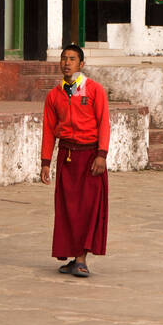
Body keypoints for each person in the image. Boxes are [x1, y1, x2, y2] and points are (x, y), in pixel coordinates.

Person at [40, 44, 109, 277]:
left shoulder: (94, 90)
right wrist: (45, 162)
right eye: (63, 58)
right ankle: (72, 256)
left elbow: (104, 123)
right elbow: (49, 130)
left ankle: (81, 259)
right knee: (67, 210)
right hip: (66, 157)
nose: (66, 63)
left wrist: (101, 155)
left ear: (81, 64)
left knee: (87, 209)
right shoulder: (54, 95)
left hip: (90, 157)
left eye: (72, 59)